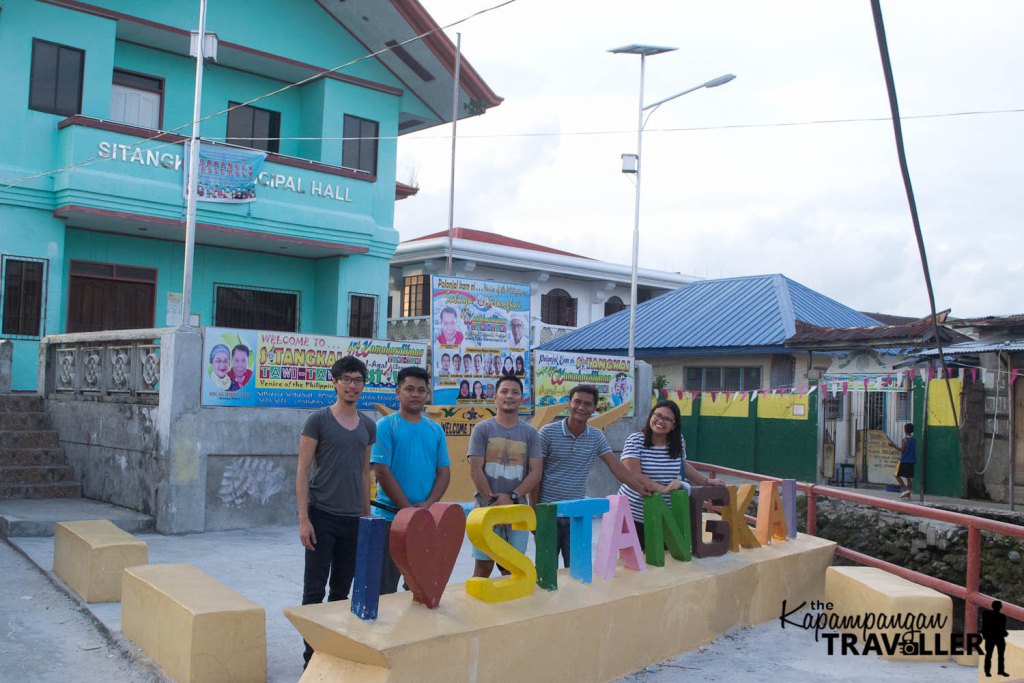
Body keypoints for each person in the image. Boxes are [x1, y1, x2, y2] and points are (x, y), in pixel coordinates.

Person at [295, 356, 376, 667]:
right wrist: (304, 519)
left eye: (358, 380)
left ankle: (331, 656)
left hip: (353, 520)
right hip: (321, 516)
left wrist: (366, 517)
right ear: (335, 382)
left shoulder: (368, 426)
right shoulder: (318, 421)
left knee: (341, 592)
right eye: (346, 379)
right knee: (314, 592)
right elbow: (302, 470)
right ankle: (310, 660)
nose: (352, 385)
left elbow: (364, 474)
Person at [536, 384, 652, 567]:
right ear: (569, 403)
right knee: (546, 568)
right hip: (548, 511)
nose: (581, 407)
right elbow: (536, 473)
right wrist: (534, 509)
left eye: (587, 404)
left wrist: (639, 488)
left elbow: (615, 466)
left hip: (576, 514)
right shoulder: (547, 433)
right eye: (577, 402)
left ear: (594, 408)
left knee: (576, 568)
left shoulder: (596, 437)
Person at [371, 366, 451, 594]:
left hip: (425, 520)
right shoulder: (385, 426)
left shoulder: (435, 430)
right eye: (409, 389)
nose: (415, 394)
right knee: (384, 590)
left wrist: (427, 505)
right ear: (398, 392)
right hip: (390, 520)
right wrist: (407, 510)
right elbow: (381, 471)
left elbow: (444, 472)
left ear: (427, 394)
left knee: (420, 589)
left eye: (421, 390)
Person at [617, 401, 725, 548]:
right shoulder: (635, 440)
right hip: (634, 513)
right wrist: (663, 489)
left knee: (666, 557)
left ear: (674, 425)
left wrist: (706, 481)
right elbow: (633, 474)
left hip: (665, 514)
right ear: (651, 416)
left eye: (667, 419)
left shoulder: (678, 441)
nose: (661, 421)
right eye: (658, 415)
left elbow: (682, 465)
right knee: (635, 559)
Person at [468, 375, 544, 578]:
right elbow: (475, 470)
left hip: (517, 512)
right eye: (504, 391)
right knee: (483, 568)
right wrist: (494, 503)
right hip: (485, 510)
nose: (509, 396)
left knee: (513, 569)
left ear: (522, 399)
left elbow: (536, 472)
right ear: (495, 397)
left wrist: (512, 497)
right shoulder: (482, 429)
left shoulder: (531, 433)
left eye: (515, 392)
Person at [981, 599, 1009, 677]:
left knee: (988, 655)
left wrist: (984, 634)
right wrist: (1005, 633)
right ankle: (1001, 671)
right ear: (1000, 607)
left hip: (990, 637)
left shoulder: (986, 614)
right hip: (999, 637)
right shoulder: (1002, 616)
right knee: (1001, 656)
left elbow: (984, 625)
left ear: (992, 606)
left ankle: (987, 672)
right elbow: (1003, 629)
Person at [896, 423, 916, 499]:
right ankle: (908, 493)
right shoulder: (914, 440)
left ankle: (905, 490)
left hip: (904, 460)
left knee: (896, 475)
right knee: (908, 478)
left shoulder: (904, 440)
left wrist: (893, 446)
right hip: (912, 460)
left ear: (905, 430)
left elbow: (902, 450)